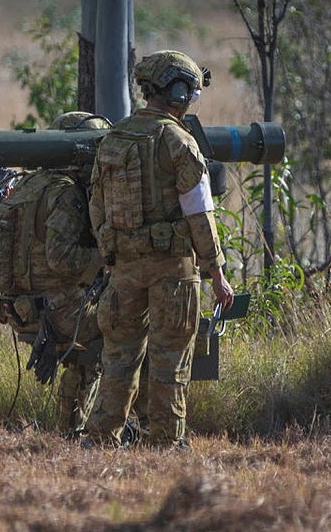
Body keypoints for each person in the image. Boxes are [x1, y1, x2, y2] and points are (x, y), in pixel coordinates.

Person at [83, 50, 235, 449]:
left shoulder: (114, 137)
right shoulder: (178, 141)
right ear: (178, 92)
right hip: (172, 271)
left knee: (119, 360)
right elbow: (199, 214)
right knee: (170, 361)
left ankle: (99, 440)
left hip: (124, 269)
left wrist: (112, 254)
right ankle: (166, 444)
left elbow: (96, 205)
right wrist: (217, 273)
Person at [0, 112, 110, 436]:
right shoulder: (65, 193)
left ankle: (71, 429)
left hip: (21, 309)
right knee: (128, 328)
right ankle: (99, 430)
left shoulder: (25, 184)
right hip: (58, 311)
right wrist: (107, 260)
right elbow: (62, 258)